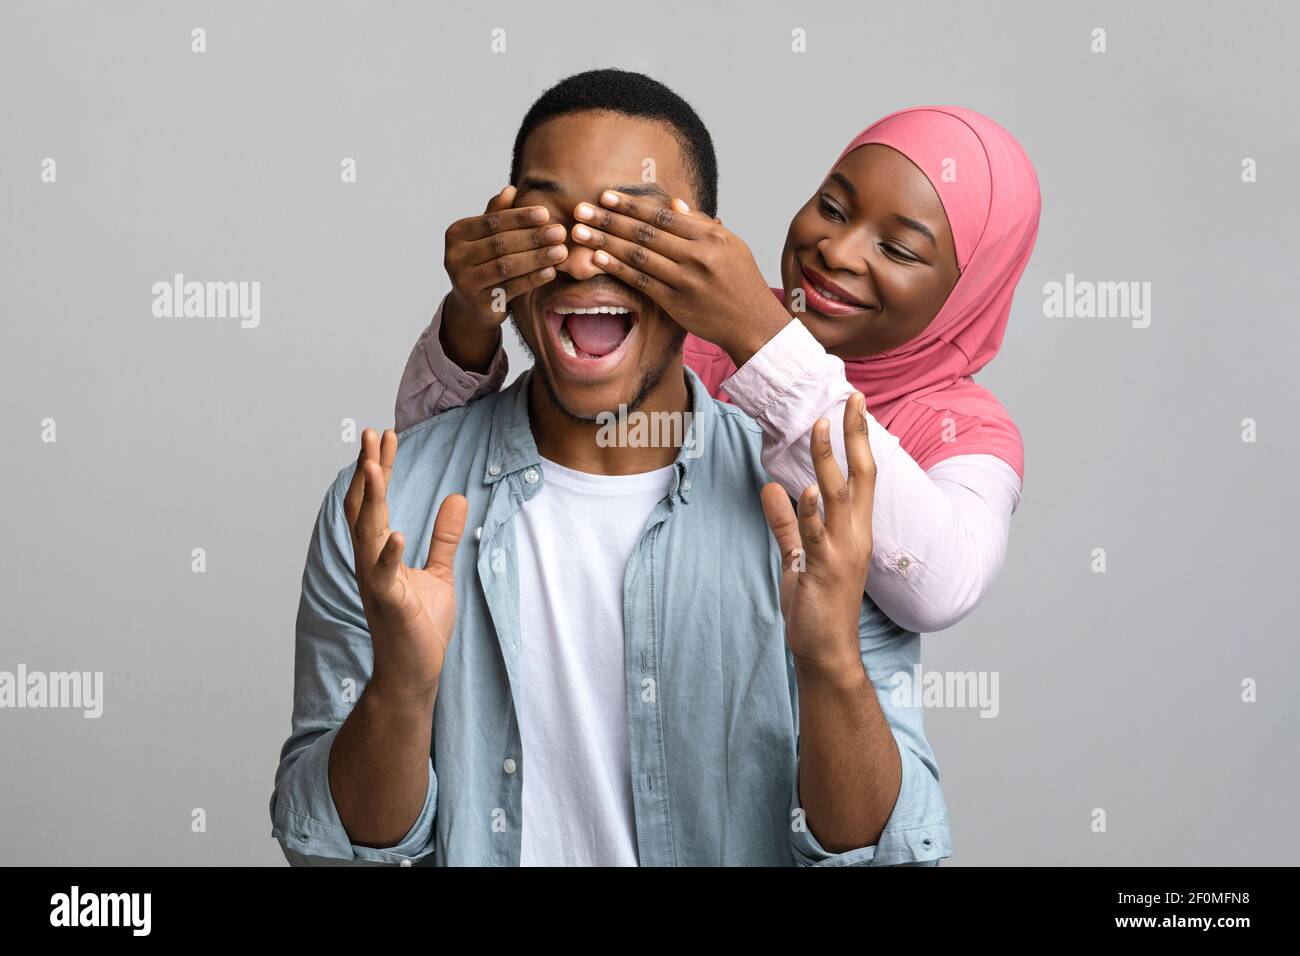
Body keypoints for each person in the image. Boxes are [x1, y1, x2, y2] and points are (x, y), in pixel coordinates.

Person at [271, 69, 950, 866]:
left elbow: (896, 857)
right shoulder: (393, 509)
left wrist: (831, 658)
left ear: (707, 258)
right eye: (547, 223)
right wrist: (401, 690)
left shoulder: (816, 509)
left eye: (636, 228)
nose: (585, 258)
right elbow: (326, 852)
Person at [399, 104, 1041, 635]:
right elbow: (433, 472)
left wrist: (760, 334)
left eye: (898, 249)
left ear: (970, 290)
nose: (836, 250)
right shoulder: (688, 323)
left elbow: (938, 588)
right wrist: (473, 310)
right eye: (833, 207)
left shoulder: (967, 433)